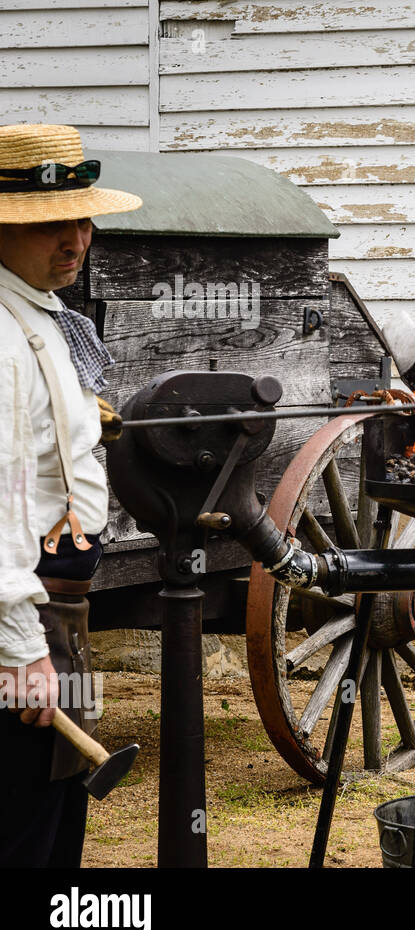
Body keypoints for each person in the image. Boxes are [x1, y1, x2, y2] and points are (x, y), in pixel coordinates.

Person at [0, 123, 140, 866]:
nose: (76, 238)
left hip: (62, 609)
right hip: (23, 617)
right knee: (23, 828)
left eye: (82, 219)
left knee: (58, 825)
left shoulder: (44, 316)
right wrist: (20, 648)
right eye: (50, 222)